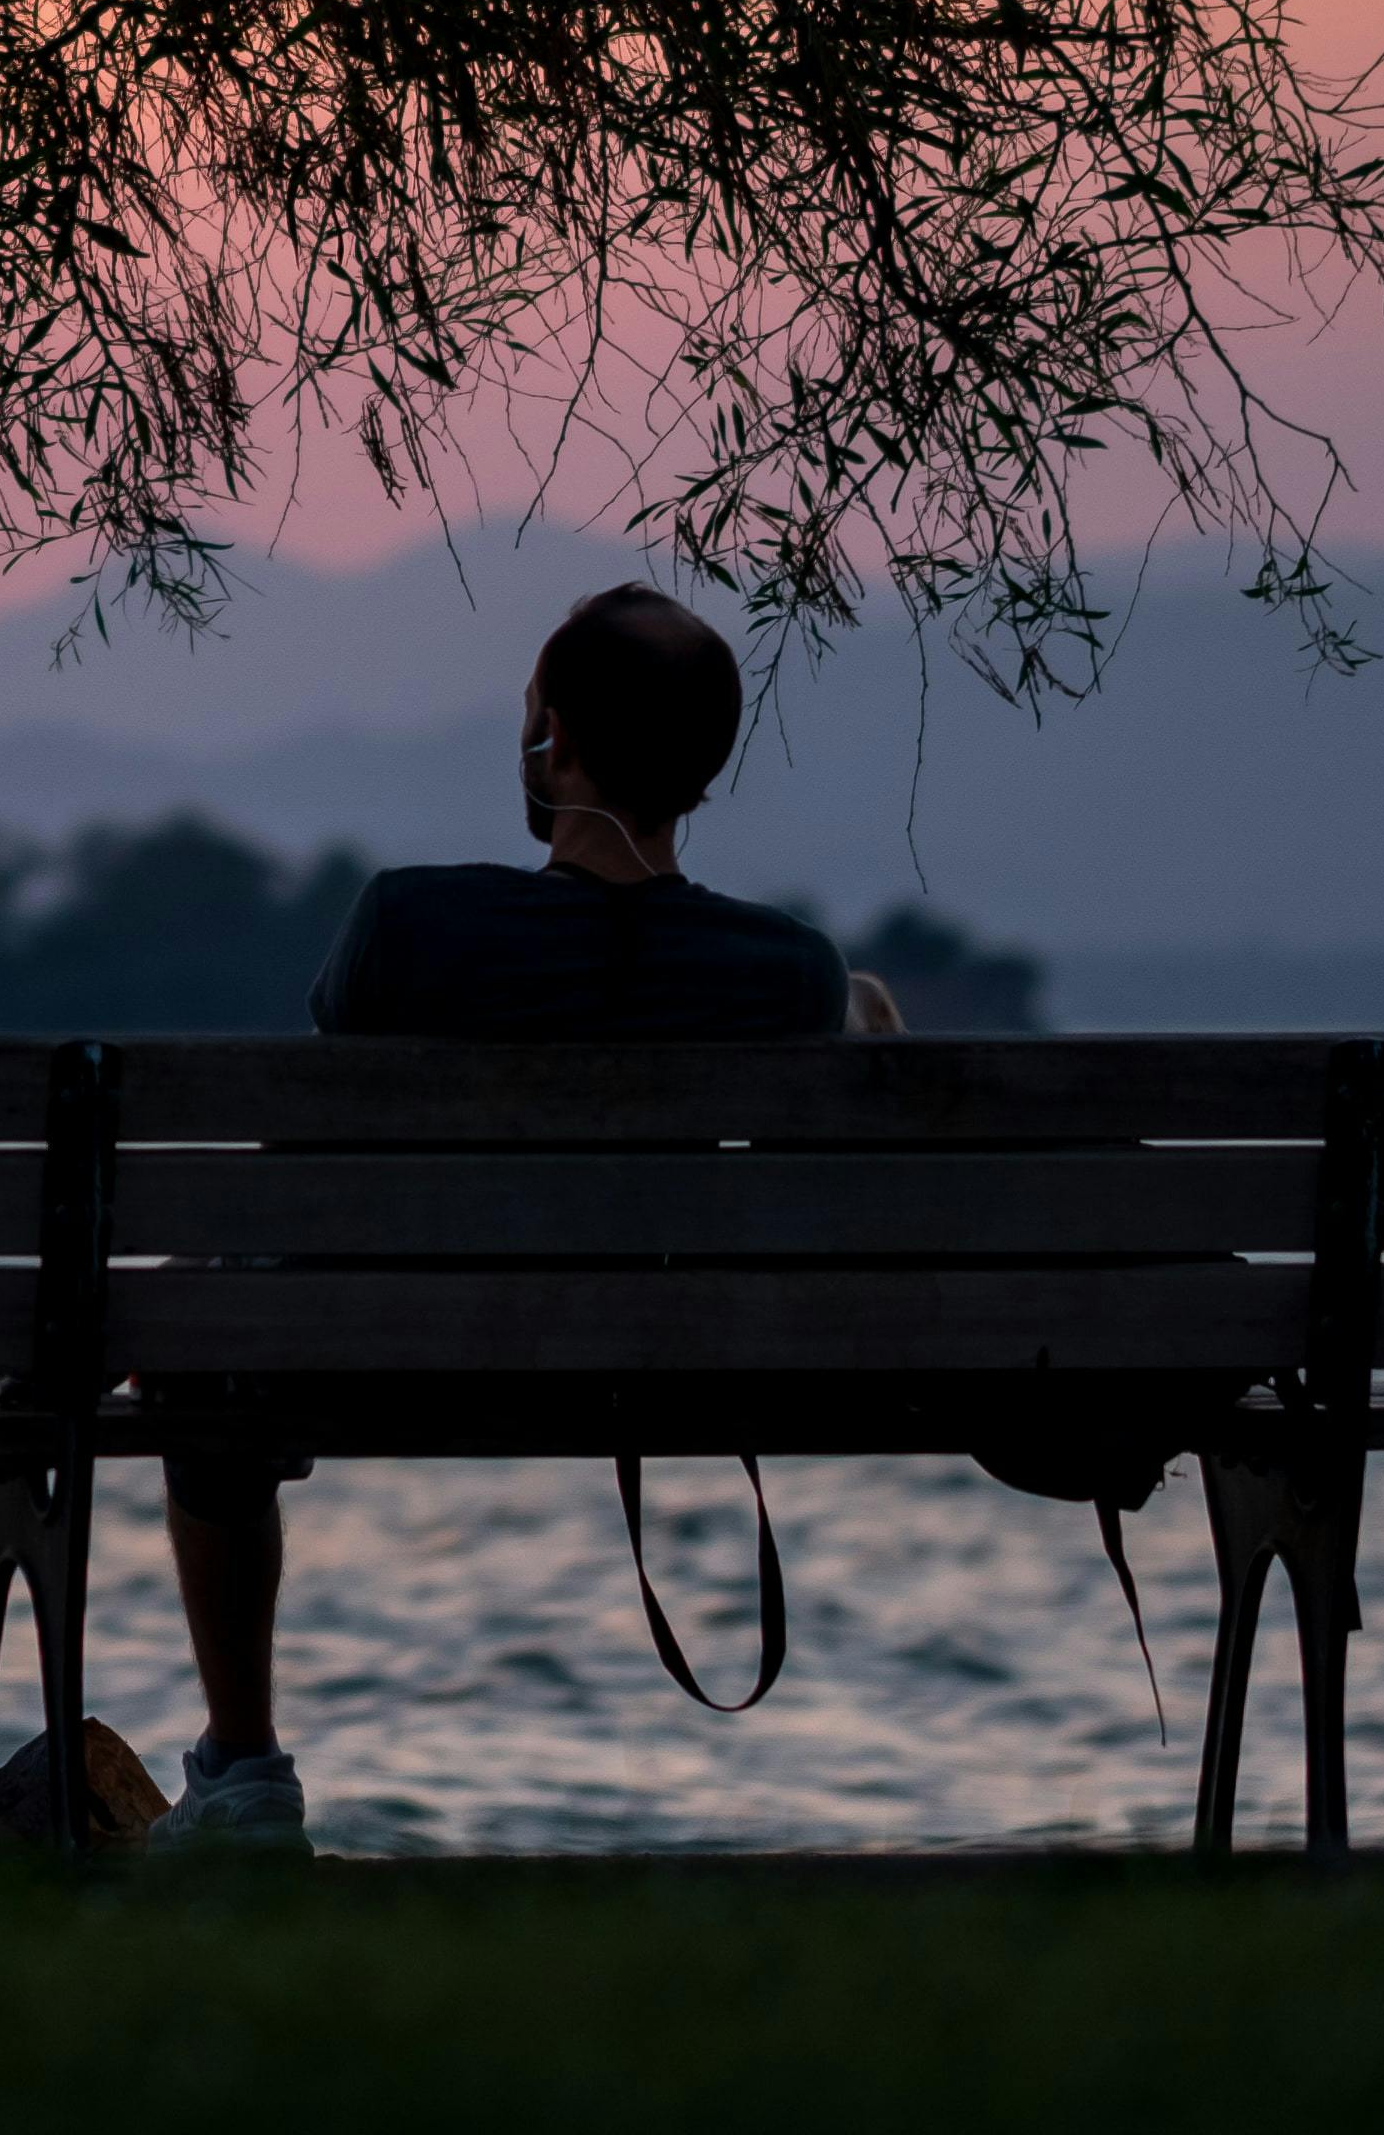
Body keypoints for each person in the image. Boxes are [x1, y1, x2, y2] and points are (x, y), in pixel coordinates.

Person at [141, 581, 850, 1851]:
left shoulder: (412, 924)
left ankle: (242, 1775)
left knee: (205, 1345)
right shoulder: (793, 974)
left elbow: (310, 1139)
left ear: (554, 738)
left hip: (394, 1351)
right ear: (704, 768)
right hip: (668, 1364)